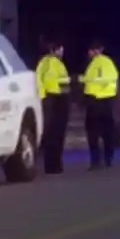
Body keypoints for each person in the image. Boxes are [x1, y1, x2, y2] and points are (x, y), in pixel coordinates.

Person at [80, 40, 120, 169]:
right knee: (105, 131)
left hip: (98, 101)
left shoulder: (101, 62)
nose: (89, 53)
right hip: (104, 100)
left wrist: (85, 79)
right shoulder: (103, 62)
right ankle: (106, 158)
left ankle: (98, 160)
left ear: (96, 50)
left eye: (91, 51)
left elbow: (103, 79)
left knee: (94, 132)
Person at [35, 40, 71, 175]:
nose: (62, 52)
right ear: (55, 50)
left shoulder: (46, 63)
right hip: (55, 100)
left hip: (52, 100)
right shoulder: (52, 63)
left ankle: (54, 164)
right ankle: (53, 165)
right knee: (55, 134)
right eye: (60, 49)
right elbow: (52, 82)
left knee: (53, 135)